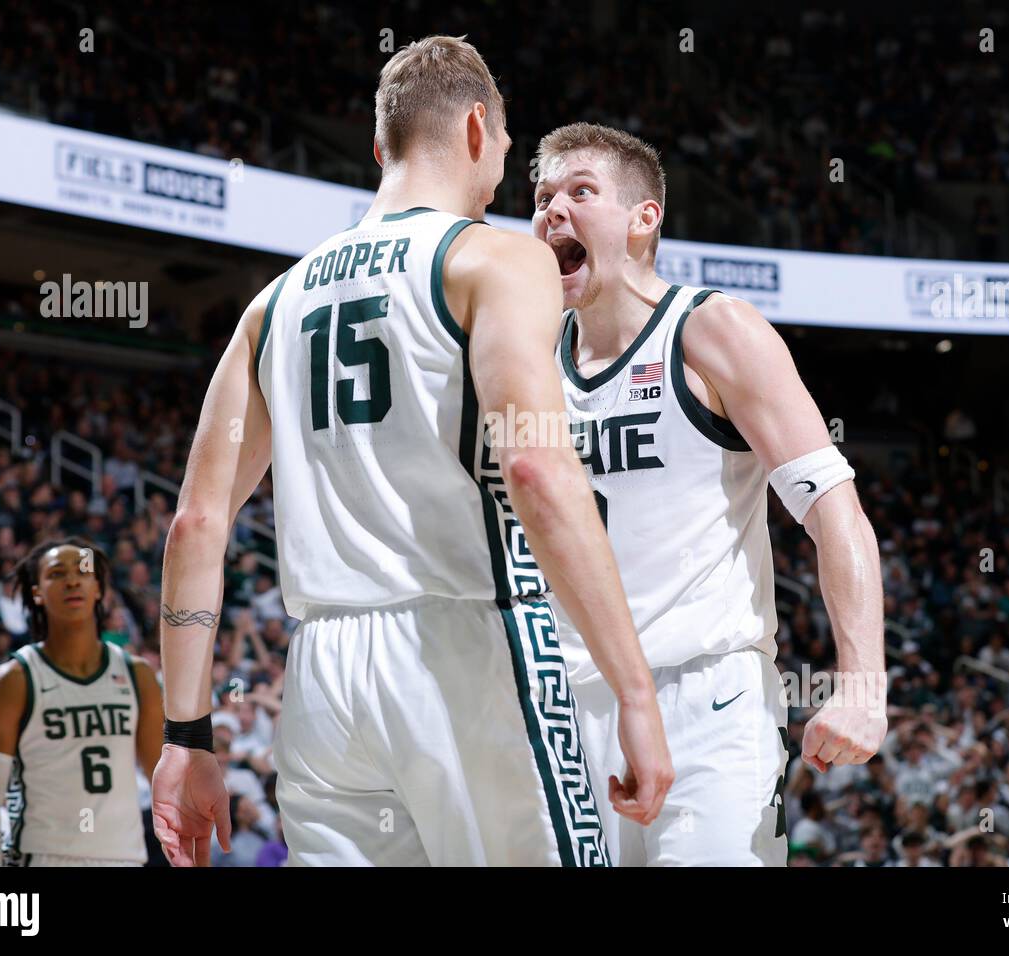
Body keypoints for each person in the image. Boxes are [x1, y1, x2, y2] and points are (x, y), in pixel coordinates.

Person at [152, 36, 671, 868]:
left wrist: (186, 735)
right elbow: (535, 467)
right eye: (506, 146)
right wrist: (635, 693)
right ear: (476, 127)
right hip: (468, 645)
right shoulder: (500, 258)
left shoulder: (271, 305)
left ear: (378, 145)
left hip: (321, 679)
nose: (504, 172)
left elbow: (196, 523)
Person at [530, 122, 886, 865]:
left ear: (643, 217)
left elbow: (833, 509)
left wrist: (862, 685)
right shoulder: (527, 355)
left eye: (580, 191)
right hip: (566, 706)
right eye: (541, 196)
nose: (552, 210)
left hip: (707, 697)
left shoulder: (712, 330)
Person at [0, 538, 164, 866]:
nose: (72, 580)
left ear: (98, 588)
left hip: (123, 856)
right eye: (57, 573)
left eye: (83, 572)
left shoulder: (137, 674)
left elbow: (163, 784)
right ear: (37, 593)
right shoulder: (14, 679)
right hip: (41, 854)